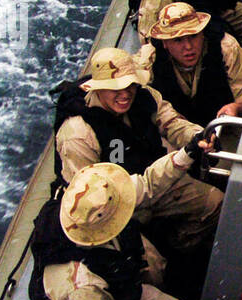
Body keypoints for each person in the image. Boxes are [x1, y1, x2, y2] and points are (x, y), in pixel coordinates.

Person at [54, 47, 221, 251]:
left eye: (130, 85)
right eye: (115, 88)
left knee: (215, 204)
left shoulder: (144, 97)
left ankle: (178, 248)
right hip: (111, 207)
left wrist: (198, 137)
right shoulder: (77, 135)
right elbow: (84, 199)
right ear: (97, 88)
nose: (125, 94)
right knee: (148, 264)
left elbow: (172, 123)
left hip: (155, 179)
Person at [28, 163, 191, 300]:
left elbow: (146, 183)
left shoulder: (95, 202)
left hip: (116, 283)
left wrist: (185, 155)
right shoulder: (82, 285)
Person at [149, 3, 242, 125]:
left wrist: (237, 108)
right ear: (165, 43)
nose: (188, 47)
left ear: (202, 33)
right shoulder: (150, 59)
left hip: (225, 125)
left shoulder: (226, 48)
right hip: (176, 131)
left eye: (194, 36)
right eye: (178, 40)